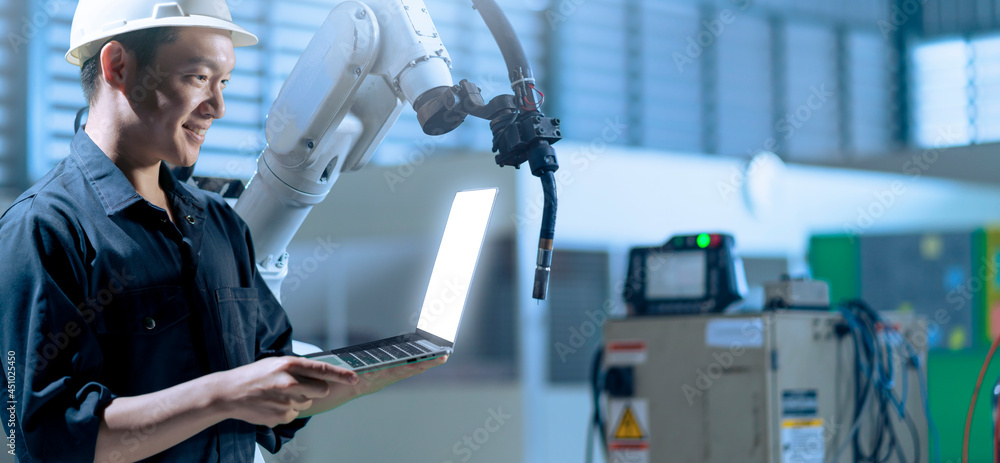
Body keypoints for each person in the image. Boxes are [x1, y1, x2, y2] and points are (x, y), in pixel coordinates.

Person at [0, 1, 445, 462]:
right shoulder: (42, 230)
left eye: (224, 82)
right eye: (198, 78)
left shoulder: (220, 225)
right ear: (118, 66)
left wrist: (377, 371)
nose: (218, 107)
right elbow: (47, 439)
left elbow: (274, 382)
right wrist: (223, 394)